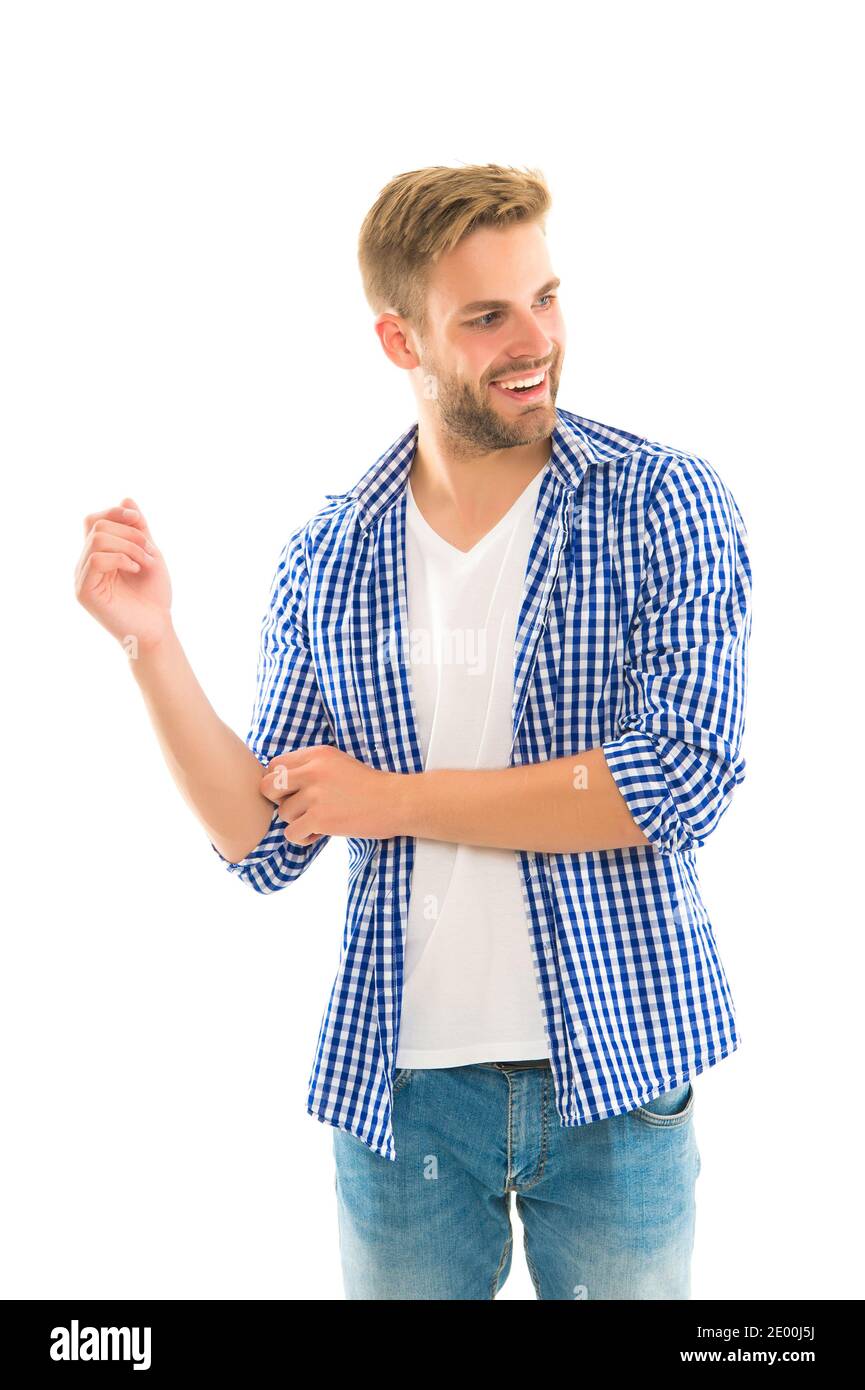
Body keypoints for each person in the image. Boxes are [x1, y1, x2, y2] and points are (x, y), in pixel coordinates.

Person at [74, 163, 752, 1300]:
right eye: (485, 316)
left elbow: (676, 784)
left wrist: (391, 798)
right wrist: (151, 642)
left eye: (544, 296)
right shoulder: (327, 555)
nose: (532, 338)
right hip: (401, 1094)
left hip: (623, 1069)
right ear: (402, 343)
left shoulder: (661, 502)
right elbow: (265, 840)